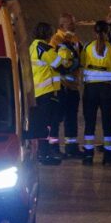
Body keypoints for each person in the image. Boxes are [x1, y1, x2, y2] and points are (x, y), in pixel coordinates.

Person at [29, 22, 69, 165]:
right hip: (46, 92)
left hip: (37, 91)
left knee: (41, 124)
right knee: (47, 125)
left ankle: (41, 153)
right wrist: (63, 51)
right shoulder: (44, 48)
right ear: (47, 34)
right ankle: (44, 154)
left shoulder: (32, 46)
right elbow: (60, 65)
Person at [81, 21, 111, 166]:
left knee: (89, 123)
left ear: (94, 32)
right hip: (108, 89)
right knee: (108, 124)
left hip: (91, 89)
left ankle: (88, 155)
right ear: (107, 32)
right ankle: (108, 156)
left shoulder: (87, 47)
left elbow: (82, 62)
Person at [55, 13, 84, 158]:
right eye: (70, 23)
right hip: (61, 86)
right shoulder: (56, 40)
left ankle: (71, 148)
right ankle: (53, 148)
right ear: (62, 25)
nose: (74, 25)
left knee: (72, 118)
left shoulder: (75, 38)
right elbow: (55, 63)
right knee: (58, 118)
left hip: (72, 85)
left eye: (74, 22)